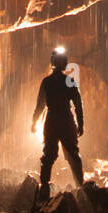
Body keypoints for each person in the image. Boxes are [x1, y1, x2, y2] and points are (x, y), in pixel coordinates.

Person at [31, 46, 84, 202]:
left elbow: (40, 105)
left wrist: (34, 122)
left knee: (49, 154)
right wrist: (80, 124)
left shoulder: (47, 82)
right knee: (72, 154)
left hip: (53, 120)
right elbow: (78, 104)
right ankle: (80, 188)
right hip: (65, 120)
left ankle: (44, 187)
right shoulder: (68, 81)